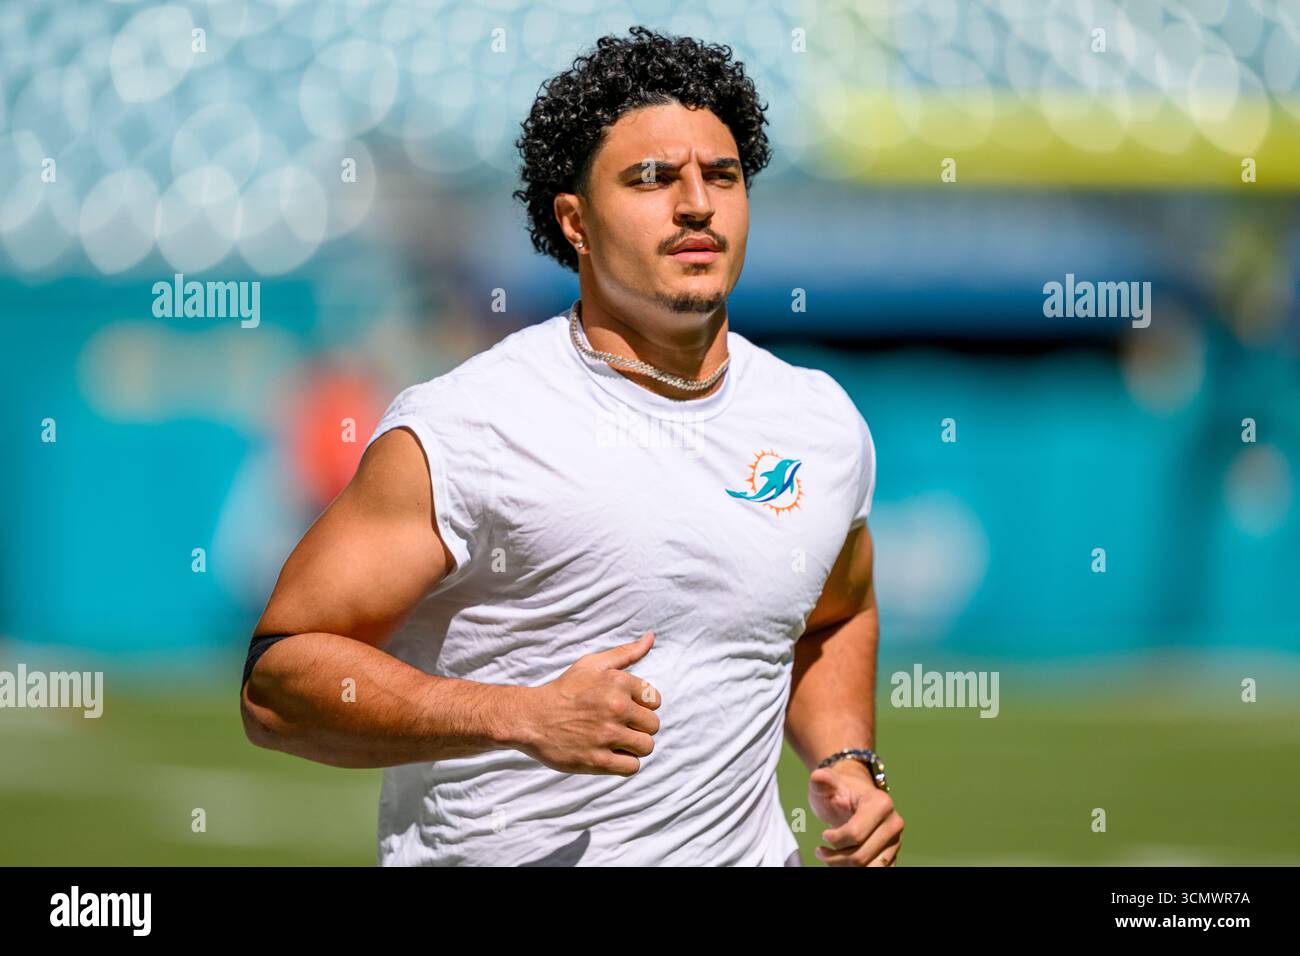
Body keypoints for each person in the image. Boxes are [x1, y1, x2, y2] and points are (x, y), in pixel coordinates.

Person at [239, 25, 902, 867]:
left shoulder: (820, 421)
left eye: (721, 176)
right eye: (651, 179)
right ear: (575, 222)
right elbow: (278, 684)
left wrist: (845, 758)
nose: (696, 202)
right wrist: (516, 714)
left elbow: (837, 614)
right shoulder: (469, 424)